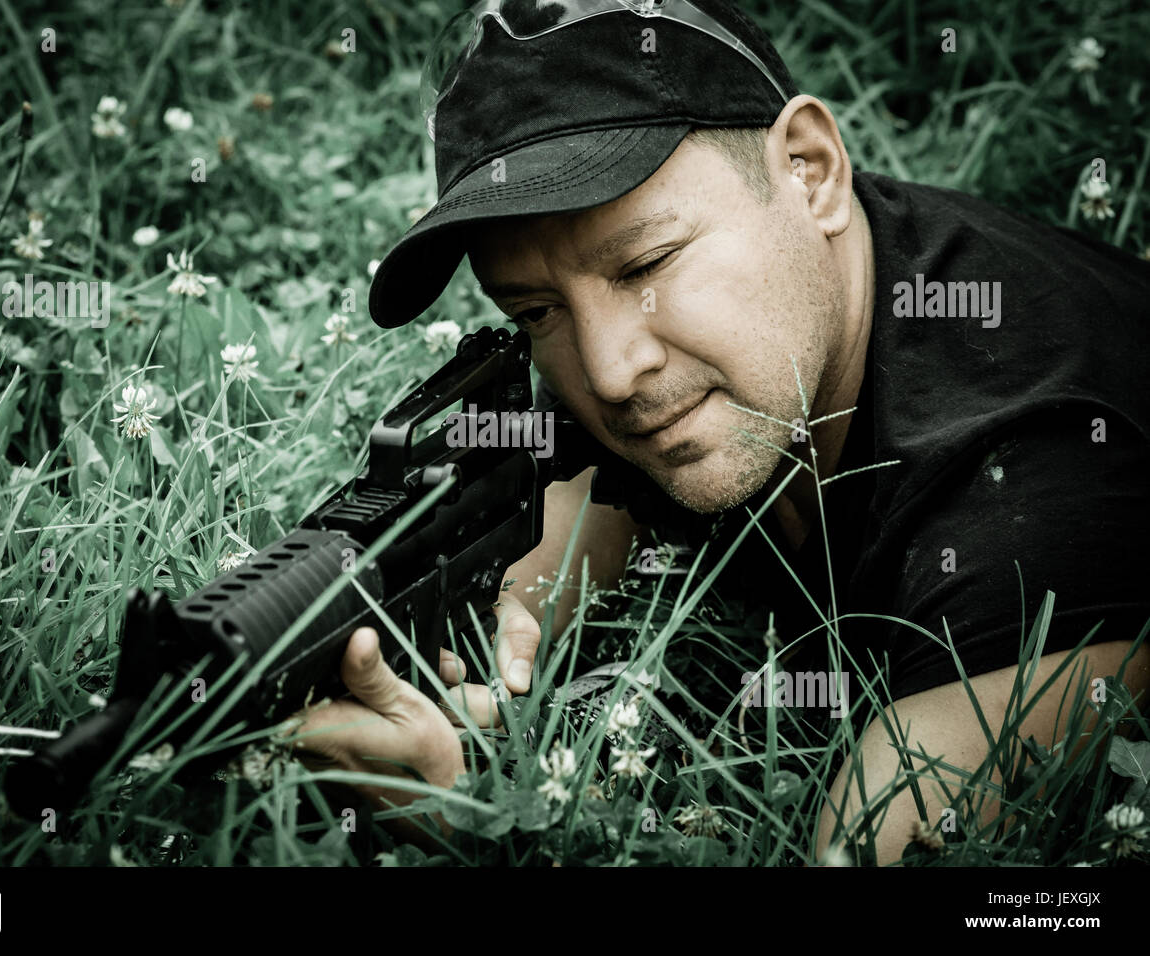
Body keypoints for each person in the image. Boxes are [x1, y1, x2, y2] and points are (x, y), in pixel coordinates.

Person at [291, 0, 1150, 865]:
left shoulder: (1033, 497)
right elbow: (528, 595)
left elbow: (859, 852)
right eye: (538, 310)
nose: (611, 372)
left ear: (810, 172)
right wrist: (474, 652)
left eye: (645, 267)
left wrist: (477, 827)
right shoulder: (776, 312)